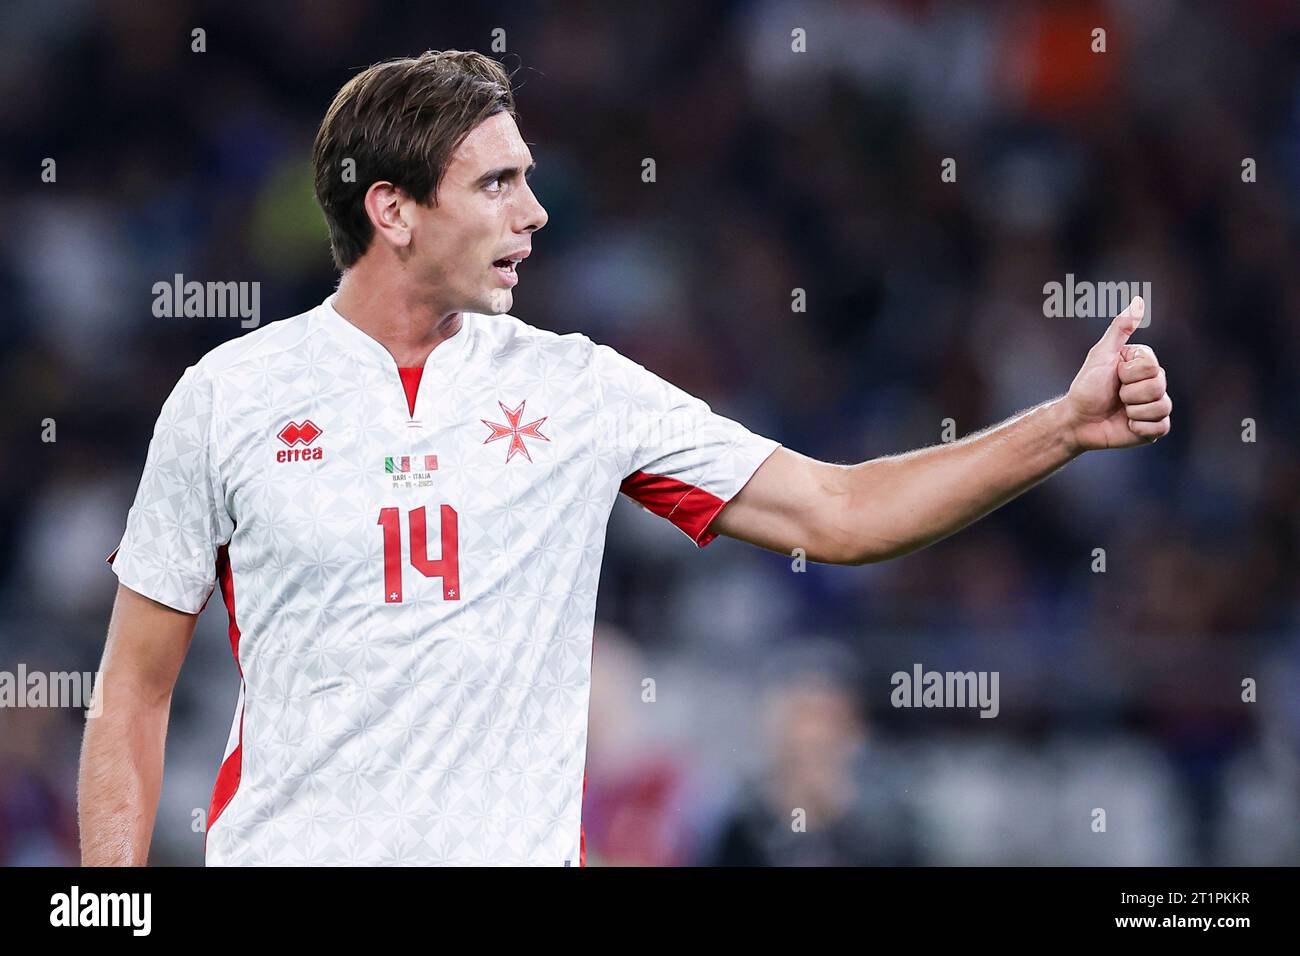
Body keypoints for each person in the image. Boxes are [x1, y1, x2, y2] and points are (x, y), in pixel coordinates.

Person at [78, 50, 1172, 866]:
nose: (537, 211)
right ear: (392, 211)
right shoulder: (228, 398)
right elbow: (133, 688)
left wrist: (1060, 427)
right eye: (497, 184)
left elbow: (837, 512)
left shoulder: (579, 389)